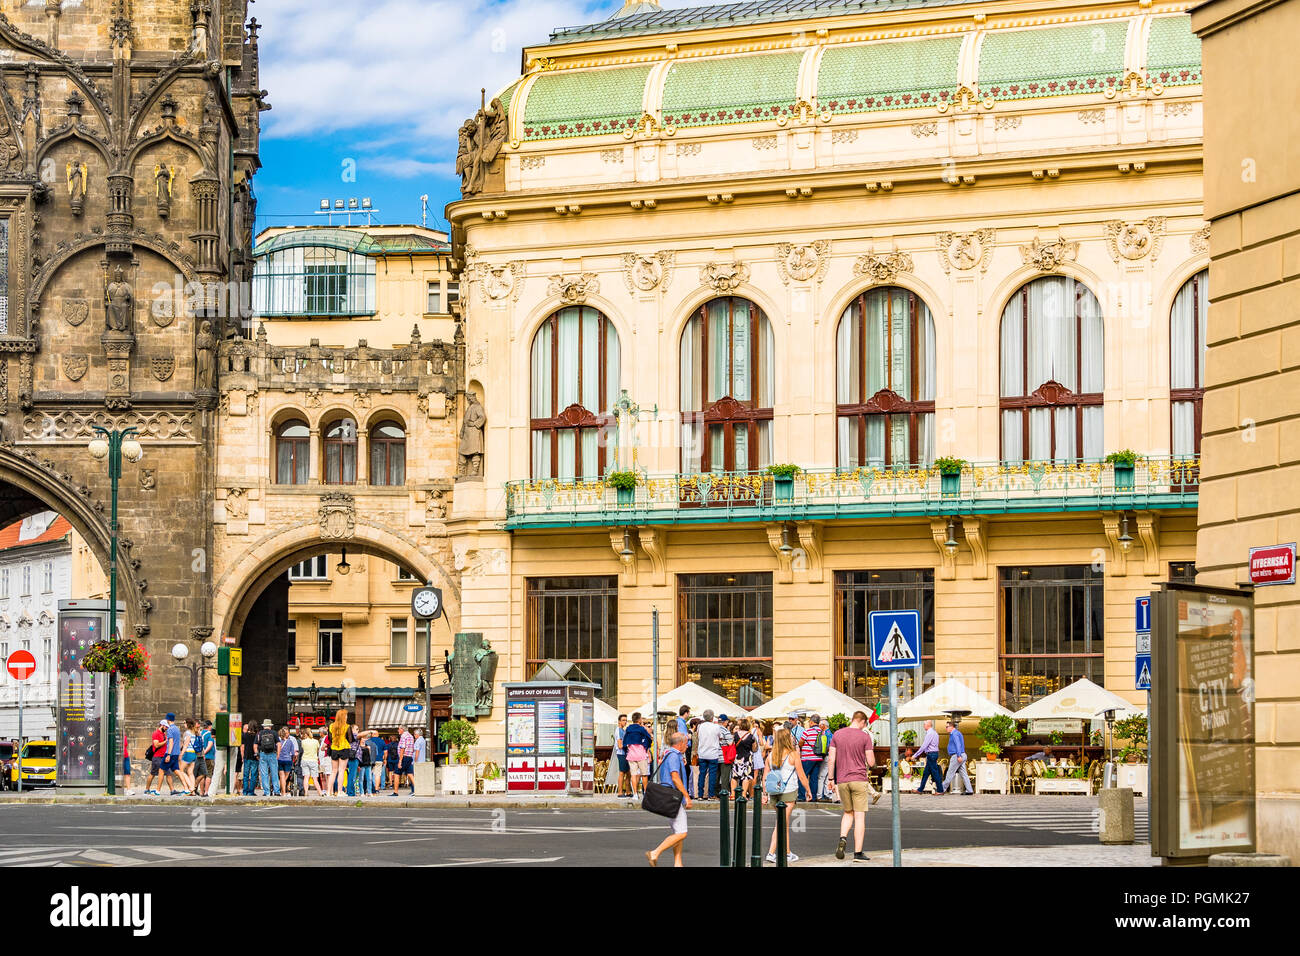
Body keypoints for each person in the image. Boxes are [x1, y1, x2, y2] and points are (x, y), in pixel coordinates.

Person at [826, 710, 877, 862]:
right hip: (859, 779)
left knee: (848, 813)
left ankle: (843, 838)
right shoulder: (865, 736)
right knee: (859, 816)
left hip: (842, 780)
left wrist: (830, 779)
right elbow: (871, 762)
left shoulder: (837, 735)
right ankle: (858, 853)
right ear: (862, 722)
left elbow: (831, 759)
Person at [764, 727, 810, 864]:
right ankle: (771, 853)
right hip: (788, 792)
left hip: (774, 792)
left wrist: (765, 793)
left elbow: (765, 777)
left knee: (783, 823)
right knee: (781, 823)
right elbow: (801, 775)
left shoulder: (771, 755)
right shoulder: (793, 754)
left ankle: (787, 852)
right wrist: (808, 790)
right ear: (787, 739)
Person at [645, 732, 691, 867]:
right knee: (682, 833)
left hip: (670, 797)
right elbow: (675, 778)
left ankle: (678, 863)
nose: (687, 746)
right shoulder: (673, 756)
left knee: (678, 831)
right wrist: (687, 796)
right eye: (686, 743)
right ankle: (655, 853)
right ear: (680, 743)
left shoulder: (671, 754)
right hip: (673, 797)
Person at [695, 710, 724, 800]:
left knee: (702, 774)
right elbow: (721, 737)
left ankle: (700, 794)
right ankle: (711, 795)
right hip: (713, 754)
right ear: (712, 717)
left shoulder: (700, 726)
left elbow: (698, 736)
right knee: (712, 775)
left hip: (702, 753)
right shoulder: (716, 727)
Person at [623, 712, 653, 797]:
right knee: (644, 775)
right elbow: (649, 739)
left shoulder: (628, 729)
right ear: (639, 720)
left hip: (631, 755)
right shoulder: (642, 729)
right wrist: (646, 747)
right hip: (641, 754)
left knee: (633, 775)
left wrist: (627, 750)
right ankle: (646, 794)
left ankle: (635, 794)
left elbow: (625, 742)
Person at [798, 713, 826, 802]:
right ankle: (813, 797)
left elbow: (800, 743)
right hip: (818, 758)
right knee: (814, 778)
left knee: (803, 776)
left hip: (807, 758)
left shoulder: (807, 731)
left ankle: (802, 796)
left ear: (811, 722)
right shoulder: (822, 732)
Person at [914, 719, 945, 794]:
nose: (923, 726)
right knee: (926, 773)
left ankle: (940, 790)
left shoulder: (930, 734)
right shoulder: (935, 733)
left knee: (935, 773)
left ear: (928, 725)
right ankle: (920, 789)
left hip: (931, 755)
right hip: (933, 754)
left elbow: (924, 746)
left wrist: (915, 755)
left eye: (924, 724)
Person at [944, 719, 972, 795]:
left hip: (957, 756)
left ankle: (941, 789)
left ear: (951, 727)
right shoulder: (956, 733)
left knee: (950, 773)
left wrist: (959, 755)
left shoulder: (954, 734)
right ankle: (969, 790)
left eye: (947, 727)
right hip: (961, 755)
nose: (946, 728)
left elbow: (958, 745)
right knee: (964, 774)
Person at [730, 718, 756, 798]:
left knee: (734, 776)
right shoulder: (751, 736)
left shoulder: (735, 735)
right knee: (746, 777)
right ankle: (744, 795)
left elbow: (731, 744)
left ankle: (733, 795)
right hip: (747, 758)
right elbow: (754, 749)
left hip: (737, 757)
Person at [256, 718, 280, 796]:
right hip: (273, 754)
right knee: (274, 773)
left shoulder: (259, 733)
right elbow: (279, 744)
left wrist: (257, 754)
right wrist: (278, 754)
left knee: (264, 774)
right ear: (270, 726)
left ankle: (267, 792)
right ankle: (276, 791)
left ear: (264, 726)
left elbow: (255, 745)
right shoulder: (274, 733)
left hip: (263, 754)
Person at [144, 719, 167, 795]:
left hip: (163, 756)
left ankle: (171, 790)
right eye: (166, 727)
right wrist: (165, 742)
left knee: (164, 773)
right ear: (162, 725)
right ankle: (148, 789)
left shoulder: (163, 734)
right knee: (153, 773)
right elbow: (156, 745)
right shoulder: (156, 733)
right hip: (157, 757)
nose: (166, 728)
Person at [391, 725, 416, 796]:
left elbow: (402, 748)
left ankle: (395, 792)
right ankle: (418, 789)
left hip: (403, 757)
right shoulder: (411, 736)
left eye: (399, 729)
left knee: (396, 774)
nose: (398, 730)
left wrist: (400, 761)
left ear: (402, 729)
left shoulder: (403, 736)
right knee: (410, 774)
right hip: (409, 757)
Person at [194, 720, 215, 797]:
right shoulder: (209, 734)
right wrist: (204, 753)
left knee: (202, 774)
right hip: (209, 757)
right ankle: (206, 792)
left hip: (200, 757)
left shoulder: (200, 733)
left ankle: (201, 792)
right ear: (209, 726)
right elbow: (210, 745)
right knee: (209, 774)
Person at [614, 714, 631, 798]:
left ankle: (628, 792)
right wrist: (628, 745)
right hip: (621, 753)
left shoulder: (622, 730)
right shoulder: (619, 730)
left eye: (626, 720)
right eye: (623, 720)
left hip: (625, 753)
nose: (625, 722)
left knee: (628, 773)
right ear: (619, 721)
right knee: (622, 773)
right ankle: (620, 792)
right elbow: (620, 745)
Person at [300, 727, 321, 795]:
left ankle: (306, 792)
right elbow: (317, 751)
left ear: (305, 734)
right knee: (315, 779)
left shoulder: (303, 742)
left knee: (306, 777)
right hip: (313, 760)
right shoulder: (316, 741)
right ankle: (320, 792)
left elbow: (302, 750)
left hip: (305, 760)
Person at [241, 720, 259, 795]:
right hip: (255, 757)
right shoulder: (257, 735)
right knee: (254, 775)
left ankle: (245, 791)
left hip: (247, 757)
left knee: (245, 775)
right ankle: (251, 792)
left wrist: (242, 756)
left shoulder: (244, 735)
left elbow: (242, 747)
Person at [277, 727, 296, 797]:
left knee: (281, 776)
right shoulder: (290, 741)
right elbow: (293, 753)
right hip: (288, 760)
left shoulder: (278, 741)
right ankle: (283, 791)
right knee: (285, 777)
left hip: (279, 760)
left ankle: (282, 792)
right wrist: (293, 759)